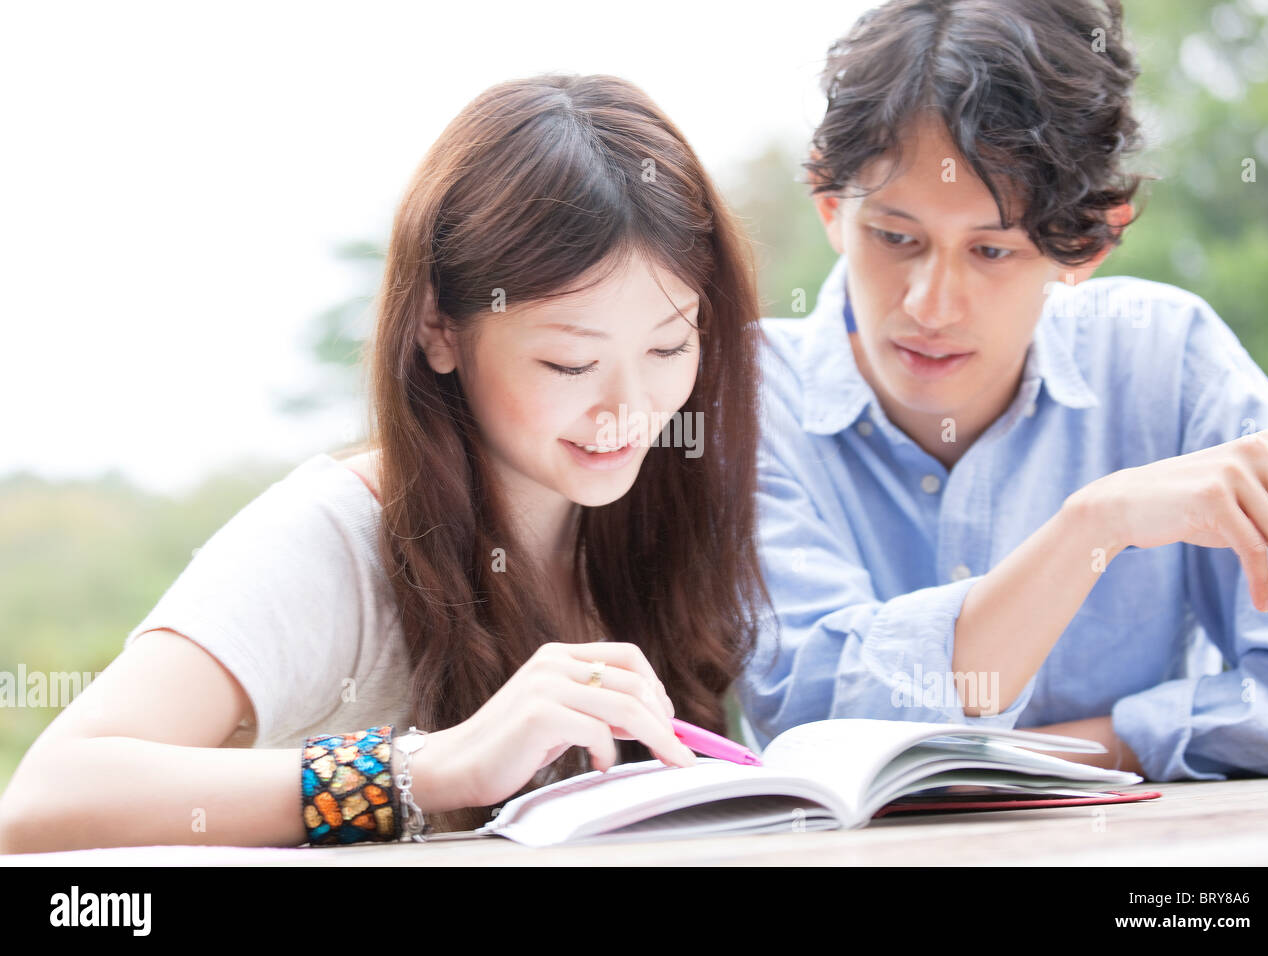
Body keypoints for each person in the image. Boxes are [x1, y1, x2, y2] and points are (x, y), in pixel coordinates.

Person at [0, 73, 771, 852]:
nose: (630, 411)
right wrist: (425, 768)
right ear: (439, 325)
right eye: (570, 364)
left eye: (671, 348)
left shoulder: (664, 518)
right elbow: (44, 801)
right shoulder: (333, 538)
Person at [737, 0, 1268, 782]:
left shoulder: (1167, 360)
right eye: (896, 238)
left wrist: (1063, 750)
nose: (931, 305)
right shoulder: (749, 396)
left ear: (1087, 244)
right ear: (830, 206)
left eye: (993, 250)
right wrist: (1090, 531)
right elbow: (816, 718)